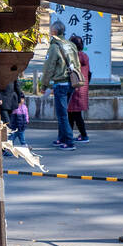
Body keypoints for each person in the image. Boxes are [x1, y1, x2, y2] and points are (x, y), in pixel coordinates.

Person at [39, 18, 82, 149]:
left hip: (61, 84)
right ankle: (61, 138)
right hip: (71, 83)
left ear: (54, 31)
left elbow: (49, 68)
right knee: (63, 112)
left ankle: (69, 141)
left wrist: (44, 85)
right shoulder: (71, 44)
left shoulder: (54, 47)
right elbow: (77, 64)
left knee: (62, 114)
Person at [66, 34, 91, 142]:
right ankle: (70, 134)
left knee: (74, 114)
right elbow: (89, 73)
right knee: (72, 113)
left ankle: (83, 135)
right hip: (82, 87)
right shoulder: (84, 56)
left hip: (75, 88)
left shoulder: (74, 57)